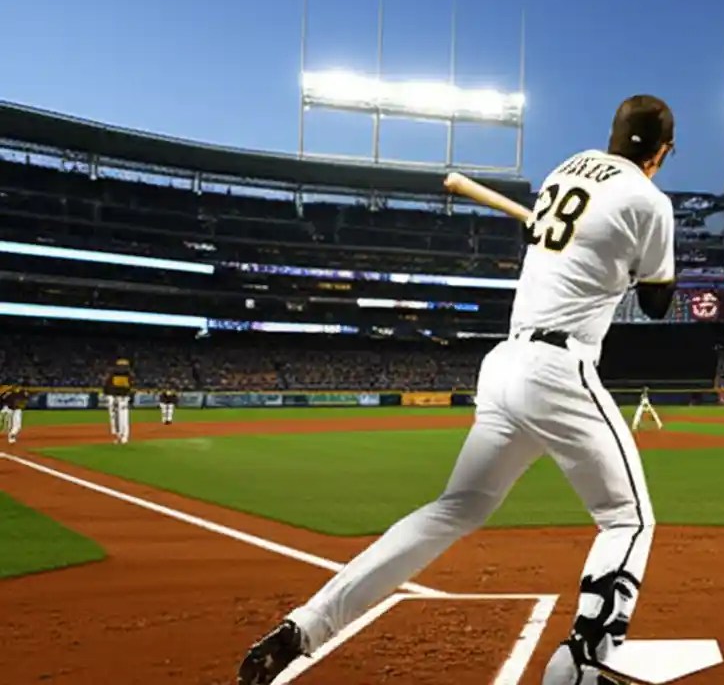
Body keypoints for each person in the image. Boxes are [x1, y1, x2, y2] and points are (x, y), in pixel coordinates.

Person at [238, 94, 679, 685]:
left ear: (611, 133)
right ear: (662, 152)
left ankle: (307, 625)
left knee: (453, 509)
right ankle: (578, 664)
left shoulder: (567, 168)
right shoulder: (649, 200)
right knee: (628, 519)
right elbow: (657, 303)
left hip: (504, 368)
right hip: (559, 367)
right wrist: (627, 268)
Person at [102, 358, 135, 444]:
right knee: (119, 417)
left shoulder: (114, 374)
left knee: (121, 417)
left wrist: (107, 393)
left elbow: (106, 384)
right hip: (119, 397)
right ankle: (120, 436)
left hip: (120, 397)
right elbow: (131, 385)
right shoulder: (128, 374)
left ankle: (123, 436)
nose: (122, 368)